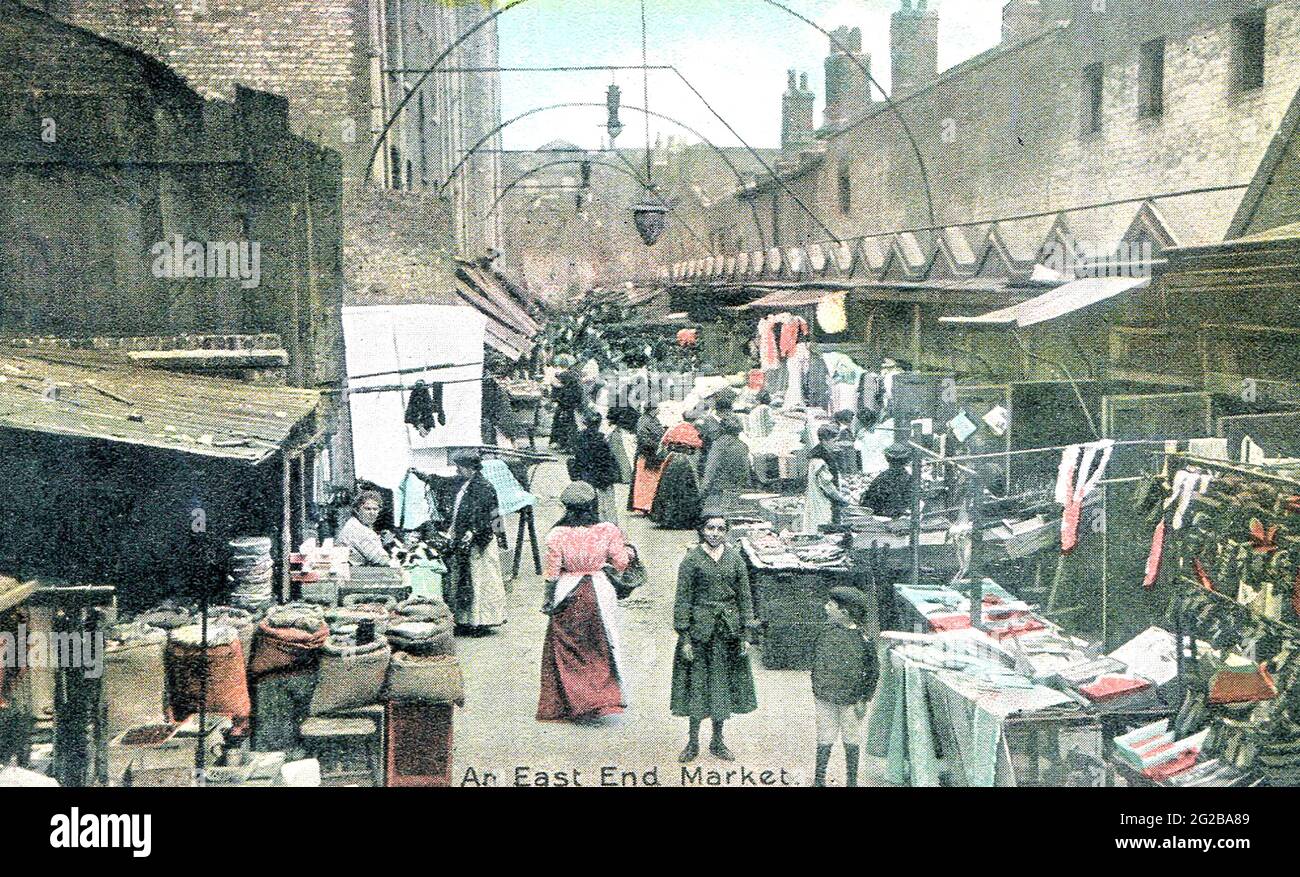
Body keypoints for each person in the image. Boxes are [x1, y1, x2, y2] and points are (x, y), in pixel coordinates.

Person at [536, 482, 632, 723]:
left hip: (567, 591)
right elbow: (620, 563)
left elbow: (552, 573)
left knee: (568, 648)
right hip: (600, 589)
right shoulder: (608, 530)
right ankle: (601, 698)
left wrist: (548, 601)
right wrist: (630, 552)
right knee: (600, 643)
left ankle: (573, 699)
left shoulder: (557, 533)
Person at [671, 512, 758, 763]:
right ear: (702, 530)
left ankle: (718, 741)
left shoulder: (735, 559)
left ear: (726, 531)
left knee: (721, 687)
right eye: (710, 528)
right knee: (697, 686)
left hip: (727, 633)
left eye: (720, 529)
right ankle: (693, 741)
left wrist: (745, 634)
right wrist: (685, 637)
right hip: (700, 633)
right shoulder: (691, 559)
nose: (715, 533)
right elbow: (683, 599)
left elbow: (745, 598)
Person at [811, 587, 879, 787]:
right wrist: (817, 687)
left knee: (851, 737)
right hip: (825, 697)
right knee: (824, 736)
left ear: (844, 612)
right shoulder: (826, 632)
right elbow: (817, 660)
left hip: (851, 700)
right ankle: (819, 780)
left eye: (830, 605)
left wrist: (865, 699)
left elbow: (873, 672)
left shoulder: (863, 640)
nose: (825, 607)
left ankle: (851, 781)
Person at [446, 450, 507, 635]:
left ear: (471, 468)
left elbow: (491, 514)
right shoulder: (463, 484)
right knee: (466, 577)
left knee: (480, 579)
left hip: (480, 541)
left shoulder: (484, 487)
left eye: (460, 467)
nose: (457, 471)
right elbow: (442, 482)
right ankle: (465, 620)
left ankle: (481, 621)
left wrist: (474, 532)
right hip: (464, 537)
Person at [650, 419, 705, 530]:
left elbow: (664, 442)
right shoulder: (693, 430)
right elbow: (698, 446)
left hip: (673, 459)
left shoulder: (675, 427)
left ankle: (667, 518)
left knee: (669, 488)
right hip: (686, 461)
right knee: (686, 490)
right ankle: (685, 520)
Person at [571, 409, 622, 526]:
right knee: (607, 507)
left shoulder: (580, 438)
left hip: (586, 476)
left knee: (590, 505)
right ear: (598, 424)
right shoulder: (601, 440)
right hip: (601, 477)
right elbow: (607, 461)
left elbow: (578, 459)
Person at [803, 424, 852, 532]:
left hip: (823, 500)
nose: (837, 444)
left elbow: (830, 477)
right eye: (834, 441)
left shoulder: (826, 454)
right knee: (823, 529)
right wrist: (843, 500)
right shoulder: (819, 460)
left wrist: (842, 484)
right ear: (824, 441)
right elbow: (828, 487)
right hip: (822, 503)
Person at [699, 416, 751, 507]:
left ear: (721, 428)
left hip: (718, 494)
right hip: (737, 492)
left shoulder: (718, 445)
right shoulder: (743, 446)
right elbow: (746, 473)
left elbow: (710, 472)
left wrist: (701, 495)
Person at [335, 490, 392, 567]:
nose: (372, 513)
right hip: (354, 573)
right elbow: (382, 561)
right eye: (367, 509)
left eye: (375, 509)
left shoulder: (355, 523)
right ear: (357, 510)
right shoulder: (357, 529)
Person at [630, 400, 667, 514]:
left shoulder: (653, 420)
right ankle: (642, 505)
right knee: (644, 481)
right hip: (646, 454)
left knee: (650, 481)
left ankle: (647, 504)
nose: (659, 410)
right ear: (653, 409)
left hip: (653, 454)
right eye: (657, 408)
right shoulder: (644, 420)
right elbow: (643, 438)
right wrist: (657, 444)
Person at [861, 444, 915, 518]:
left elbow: (867, 506)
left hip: (879, 520)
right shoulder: (910, 479)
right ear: (906, 461)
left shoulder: (880, 479)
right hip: (900, 520)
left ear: (887, 459)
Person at [550, 356, 584, 453]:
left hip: (568, 403)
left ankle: (568, 446)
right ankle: (567, 445)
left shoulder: (566, 375)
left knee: (566, 425)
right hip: (572, 403)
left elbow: (557, 384)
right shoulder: (574, 375)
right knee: (569, 424)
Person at [833, 409, 863, 476]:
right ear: (844, 420)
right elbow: (844, 443)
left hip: (845, 454)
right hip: (844, 455)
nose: (851, 422)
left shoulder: (843, 428)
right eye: (850, 420)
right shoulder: (842, 429)